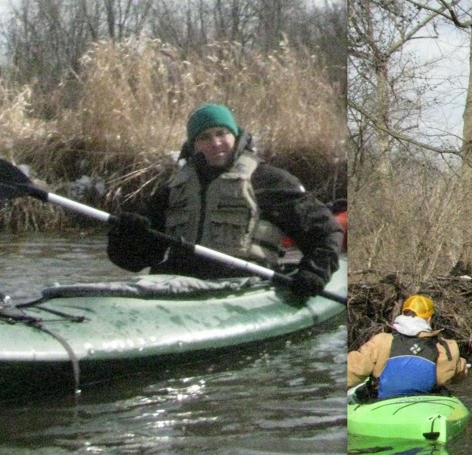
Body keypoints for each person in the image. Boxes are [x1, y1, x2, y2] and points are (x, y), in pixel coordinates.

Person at [105, 103, 341, 305]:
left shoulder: (270, 180)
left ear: (235, 137)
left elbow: (327, 232)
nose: (215, 143)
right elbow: (132, 261)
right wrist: (126, 236)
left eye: (222, 133)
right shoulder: (173, 188)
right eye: (204, 138)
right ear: (193, 145)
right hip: (176, 285)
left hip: (240, 286)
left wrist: (314, 273)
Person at [346, 294, 469, 398]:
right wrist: (462, 368)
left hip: (383, 404)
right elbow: (450, 376)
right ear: (429, 319)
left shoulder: (382, 341)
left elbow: (354, 369)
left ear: (403, 313)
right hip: (426, 404)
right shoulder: (445, 348)